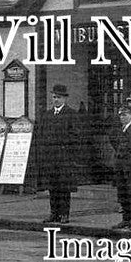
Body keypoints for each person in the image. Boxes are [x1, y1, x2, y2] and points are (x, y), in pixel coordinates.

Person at [33, 83, 83, 224]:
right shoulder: (47, 115)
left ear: (65, 99)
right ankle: (54, 213)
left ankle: (64, 214)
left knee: (64, 188)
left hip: (64, 157)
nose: (56, 100)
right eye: (54, 97)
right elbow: (40, 135)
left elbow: (76, 136)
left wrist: (65, 148)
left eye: (59, 97)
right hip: (50, 158)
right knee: (52, 187)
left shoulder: (71, 114)